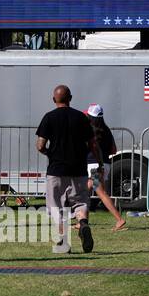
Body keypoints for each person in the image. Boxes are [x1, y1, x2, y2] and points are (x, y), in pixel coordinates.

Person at [35, 84, 100, 253]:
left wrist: (51, 154)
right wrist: (99, 162)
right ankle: (83, 223)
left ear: (53, 99)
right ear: (70, 98)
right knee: (80, 202)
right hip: (78, 169)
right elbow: (92, 144)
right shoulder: (81, 118)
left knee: (55, 206)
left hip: (56, 170)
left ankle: (63, 241)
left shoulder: (48, 117)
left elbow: (40, 145)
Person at [84, 104, 126, 231]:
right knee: (86, 192)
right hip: (105, 164)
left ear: (90, 117)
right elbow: (114, 149)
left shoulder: (88, 130)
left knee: (101, 193)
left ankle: (119, 220)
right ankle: (82, 221)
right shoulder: (106, 130)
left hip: (95, 166)